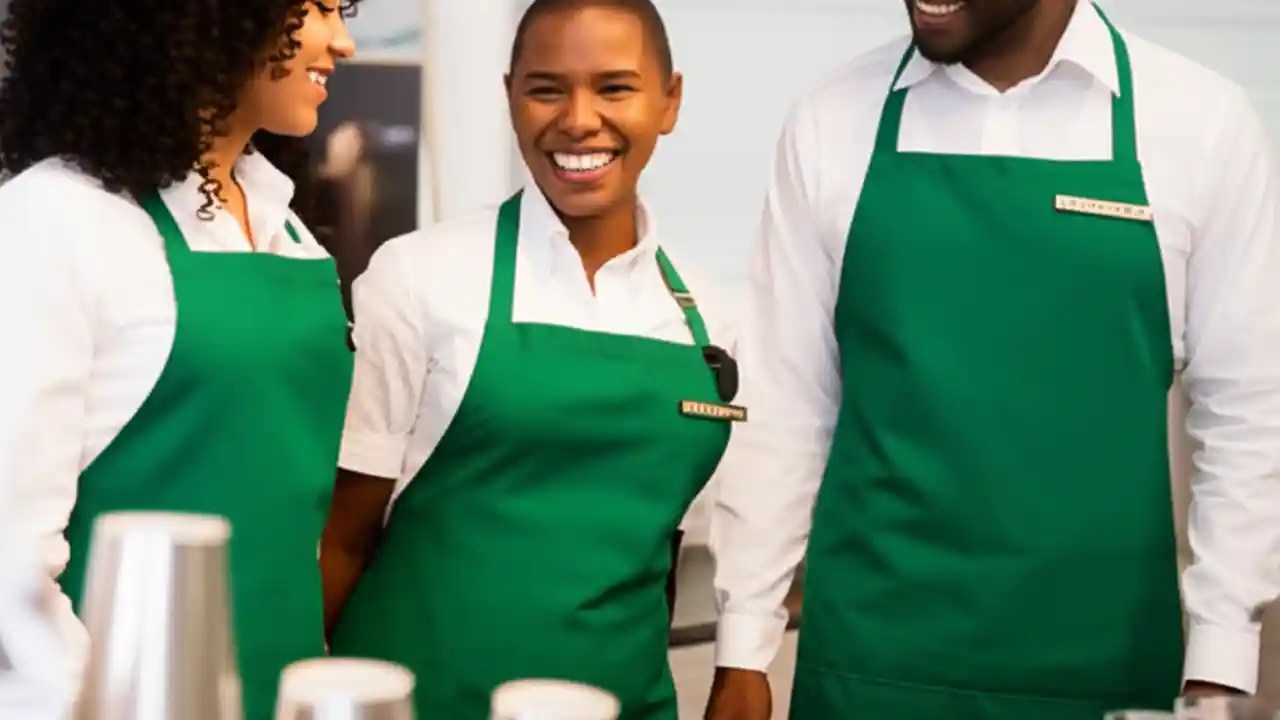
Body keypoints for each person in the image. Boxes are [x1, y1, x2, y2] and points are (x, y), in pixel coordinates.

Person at [705, 1, 1280, 719]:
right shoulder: (831, 120)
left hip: (1105, 676)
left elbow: (1250, 416)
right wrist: (743, 647)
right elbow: (785, 406)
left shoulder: (1203, 124)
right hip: (870, 673)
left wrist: (1221, 662)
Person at [320, 0, 737, 717]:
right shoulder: (420, 275)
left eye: (614, 87)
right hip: (417, 701)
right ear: (510, 98)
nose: (578, 118)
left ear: (669, 101)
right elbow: (344, 536)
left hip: (621, 701)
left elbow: (653, 551)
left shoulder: (712, 311)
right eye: (547, 88)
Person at [0, 1, 358, 717]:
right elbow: (10, 561)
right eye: (314, 8)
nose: (342, 42)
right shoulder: (57, 219)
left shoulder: (288, 229)